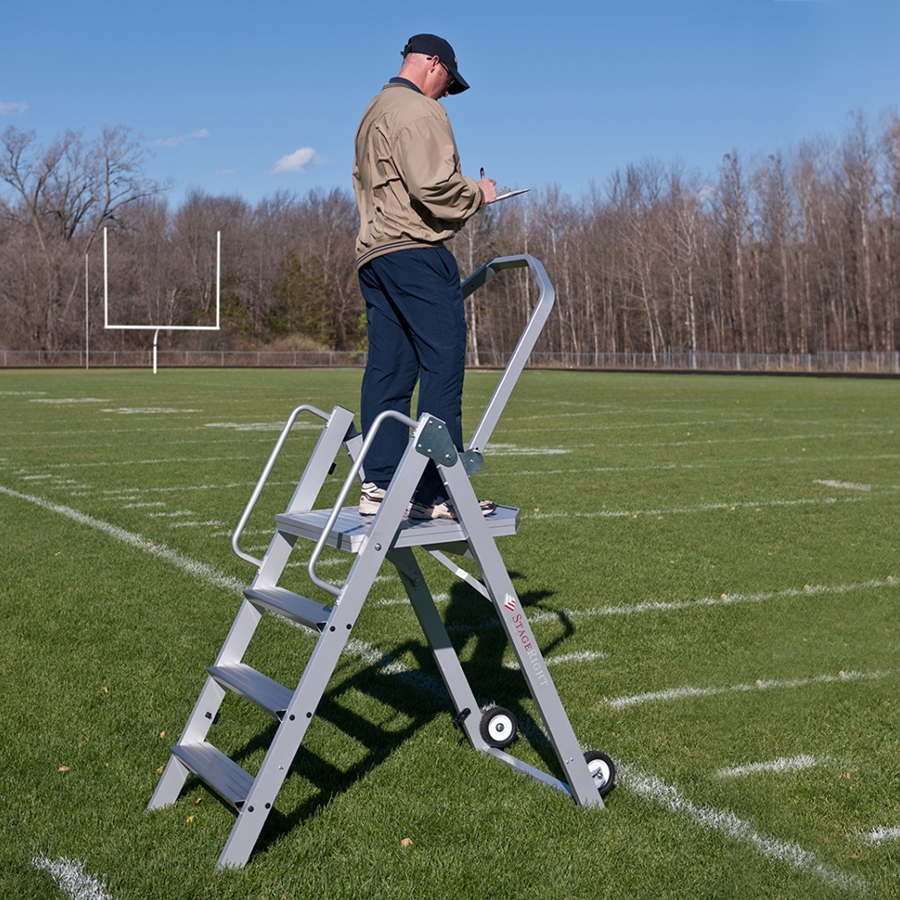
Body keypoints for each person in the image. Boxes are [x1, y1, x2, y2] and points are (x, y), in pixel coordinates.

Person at [352, 33, 497, 519]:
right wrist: (477, 194)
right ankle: (435, 491)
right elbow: (434, 186)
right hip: (415, 251)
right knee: (442, 364)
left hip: (376, 254)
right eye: (446, 83)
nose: (444, 93)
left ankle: (380, 486)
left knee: (389, 370)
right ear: (433, 64)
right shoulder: (418, 110)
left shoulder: (374, 109)